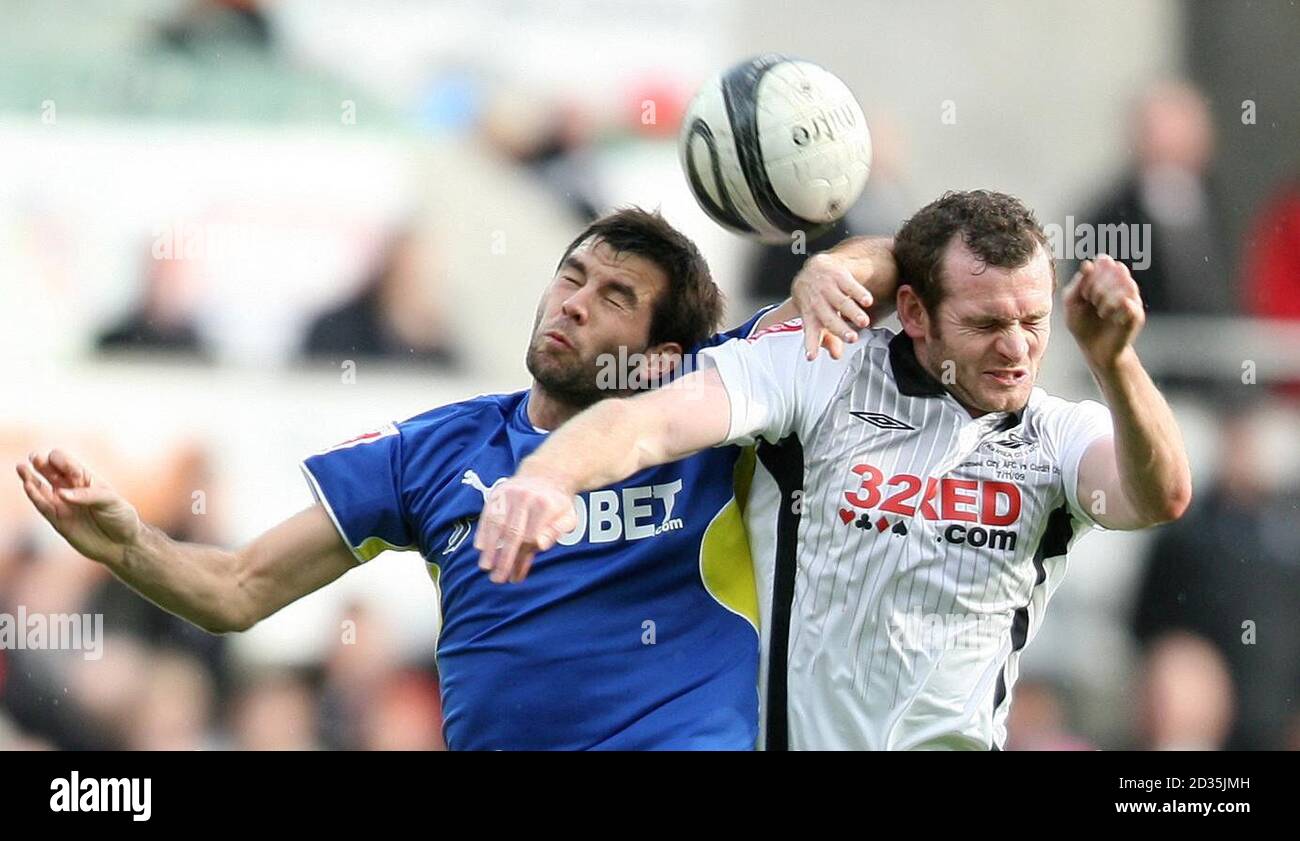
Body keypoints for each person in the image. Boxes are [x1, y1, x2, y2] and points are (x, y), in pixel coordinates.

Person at [16, 207, 899, 751]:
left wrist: (831, 267)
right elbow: (238, 589)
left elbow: (904, 257)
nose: (574, 303)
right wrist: (129, 542)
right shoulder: (431, 451)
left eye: (615, 297)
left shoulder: (716, 398)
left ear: (663, 357)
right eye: (572, 276)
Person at [475, 190, 1193, 750]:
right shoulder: (818, 370)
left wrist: (1114, 362)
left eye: (1032, 323)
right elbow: (646, 420)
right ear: (913, 311)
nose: (1014, 349)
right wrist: (547, 476)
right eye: (984, 324)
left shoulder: (1058, 433)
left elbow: (1160, 496)